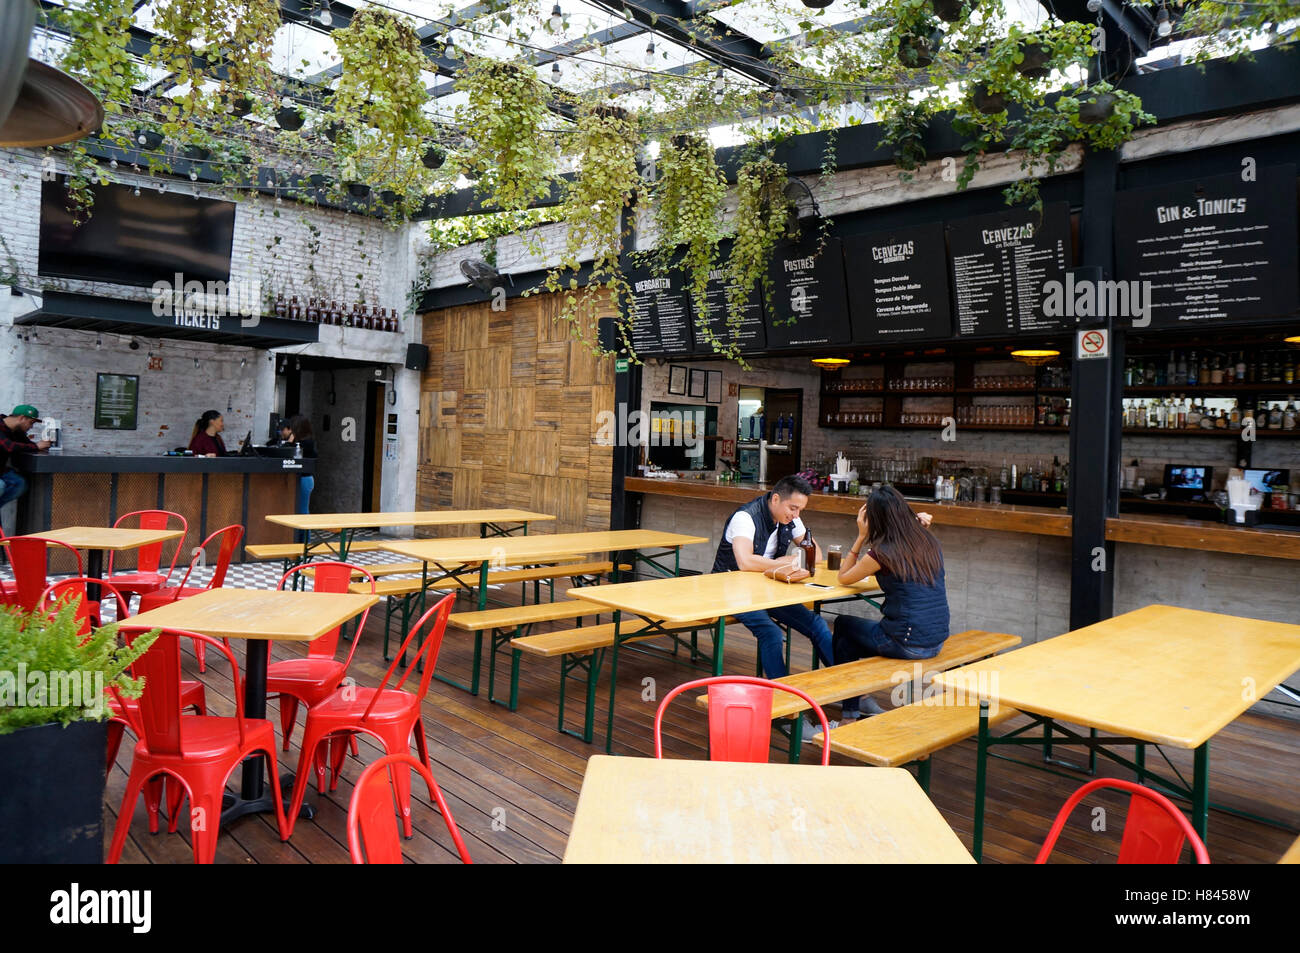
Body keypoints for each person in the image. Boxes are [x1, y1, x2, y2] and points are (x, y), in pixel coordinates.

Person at [834, 485, 949, 720]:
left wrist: (860, 536)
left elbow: (844, 577)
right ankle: (858, 701)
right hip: (937, 639)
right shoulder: (929, 541)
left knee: (843, 626)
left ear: (874, 519)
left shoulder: (882, 553)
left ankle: (851, 710)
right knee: (851, 642)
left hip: (906, 642)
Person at [711, 474, 833, 689]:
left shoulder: (792, 519)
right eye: (793, 508)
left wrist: (793, 560)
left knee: (817, 624)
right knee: (772, 633)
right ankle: (785, 700)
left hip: (768, 590)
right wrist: (781, 563)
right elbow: (745, 561)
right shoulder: (745, 517)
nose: (796, 515)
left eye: (800, 510)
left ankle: (851, 694)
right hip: (732, 590)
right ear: (775, 499)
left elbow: (817, 554)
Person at [1, 404, 49, 511]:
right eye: (31, 423)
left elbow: (28, 444)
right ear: (22, 418)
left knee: (20, 484)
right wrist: (36, 446)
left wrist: (40, 446)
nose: (31, 427)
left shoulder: (16, 431)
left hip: (2, 471)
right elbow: (8, 446)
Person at [280, 415, 317, 543]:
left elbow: (288, 452)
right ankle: (299, 541)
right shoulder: (303, 441)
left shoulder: (306, 443)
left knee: (302, 511)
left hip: (304, 479)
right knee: (300, 510)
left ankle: (305, 542)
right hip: (302, 479)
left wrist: (290, 441)